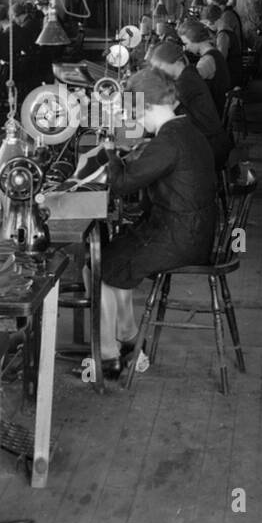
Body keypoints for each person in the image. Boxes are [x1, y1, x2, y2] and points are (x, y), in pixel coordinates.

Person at [79, 68, 217, 379]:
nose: (135, 120)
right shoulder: (184, 130)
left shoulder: (168, 140)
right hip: (191, 230)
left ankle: (108, 356)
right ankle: (127, 337)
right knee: (115, 252)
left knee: (98, 266)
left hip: (180, 237)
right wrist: (135, 151)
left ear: (144, 107)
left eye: (134, 113)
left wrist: (111, 150)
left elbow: (123, 184)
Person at [148, 40, 233, 172]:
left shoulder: (187, 82)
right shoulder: (188, 74)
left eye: (160, 66)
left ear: (176, 62)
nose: (158, 72)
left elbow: (164, 108)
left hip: (209, 148)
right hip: (207, 140)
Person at [177, 18, 230, 114]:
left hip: (212, 113)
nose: (186, 48)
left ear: (195, 39)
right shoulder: (215, 53)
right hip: (216, 107)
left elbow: (189, 83)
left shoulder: (207, 60)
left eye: (186, 43)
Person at [206, 0, 245, 86]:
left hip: (231, 70)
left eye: (211, 4)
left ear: (218, 4)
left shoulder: (227, 17)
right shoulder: (226, 14)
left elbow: (222, 56)